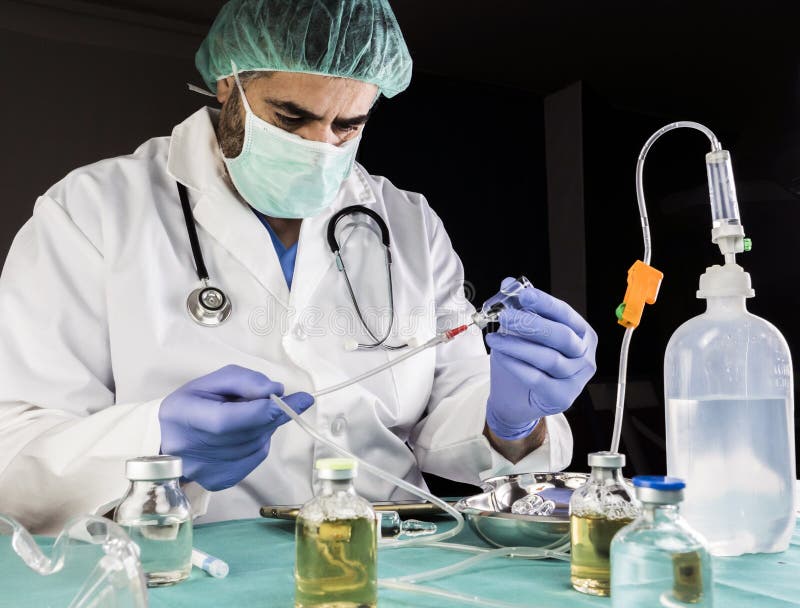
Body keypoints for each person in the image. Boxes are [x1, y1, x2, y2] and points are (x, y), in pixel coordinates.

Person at [0, 0, 597, 534]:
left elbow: (451, 416)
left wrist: (514, 418)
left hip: (390, 556)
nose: (321, 146)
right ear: (228, 85)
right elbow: (15, 454)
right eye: (290, 118)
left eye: (348, 125)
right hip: (193, 564)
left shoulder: (408, 223)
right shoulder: (92, 212)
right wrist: (156, 440)